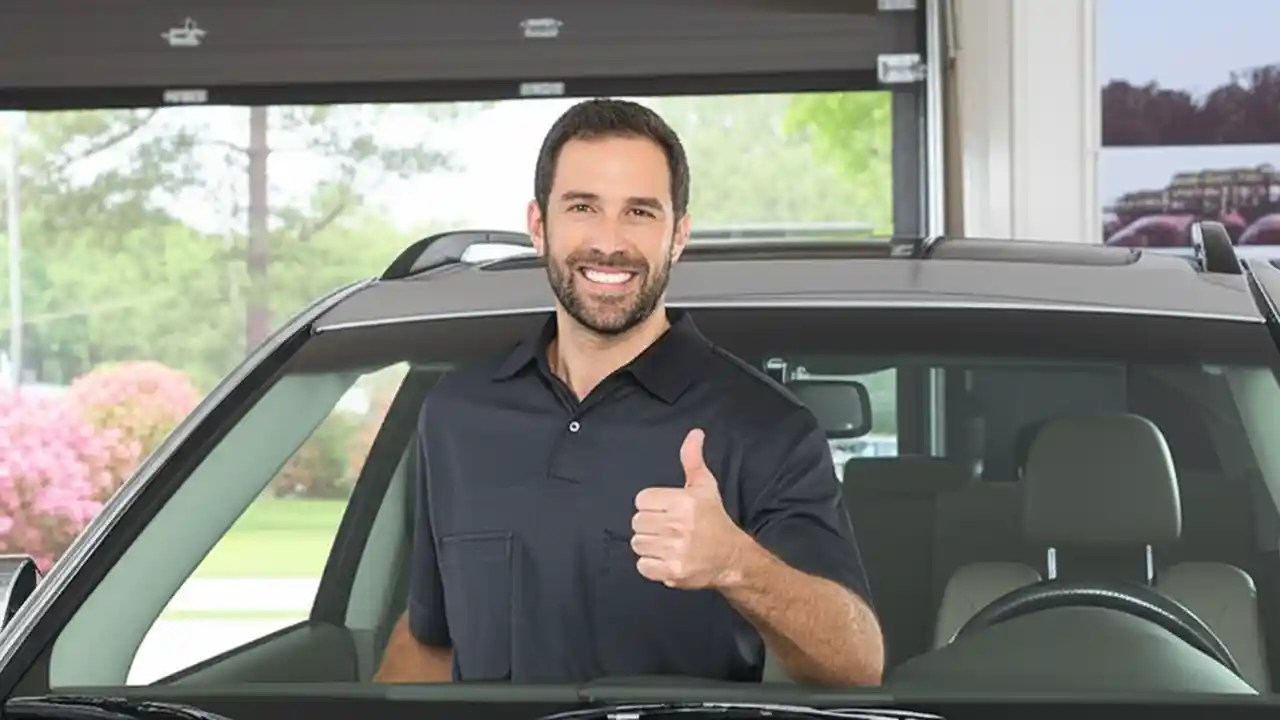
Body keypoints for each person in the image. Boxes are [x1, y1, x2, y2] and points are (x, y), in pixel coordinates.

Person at [374, 98, 884, 687]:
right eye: (583, 207)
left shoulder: (764, 427)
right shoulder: (458, 415)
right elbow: (431, 643)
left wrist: (736, 565)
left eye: (639, 212)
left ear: (678, 236)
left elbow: (857, 664)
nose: (609, 242)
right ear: (540, 227)